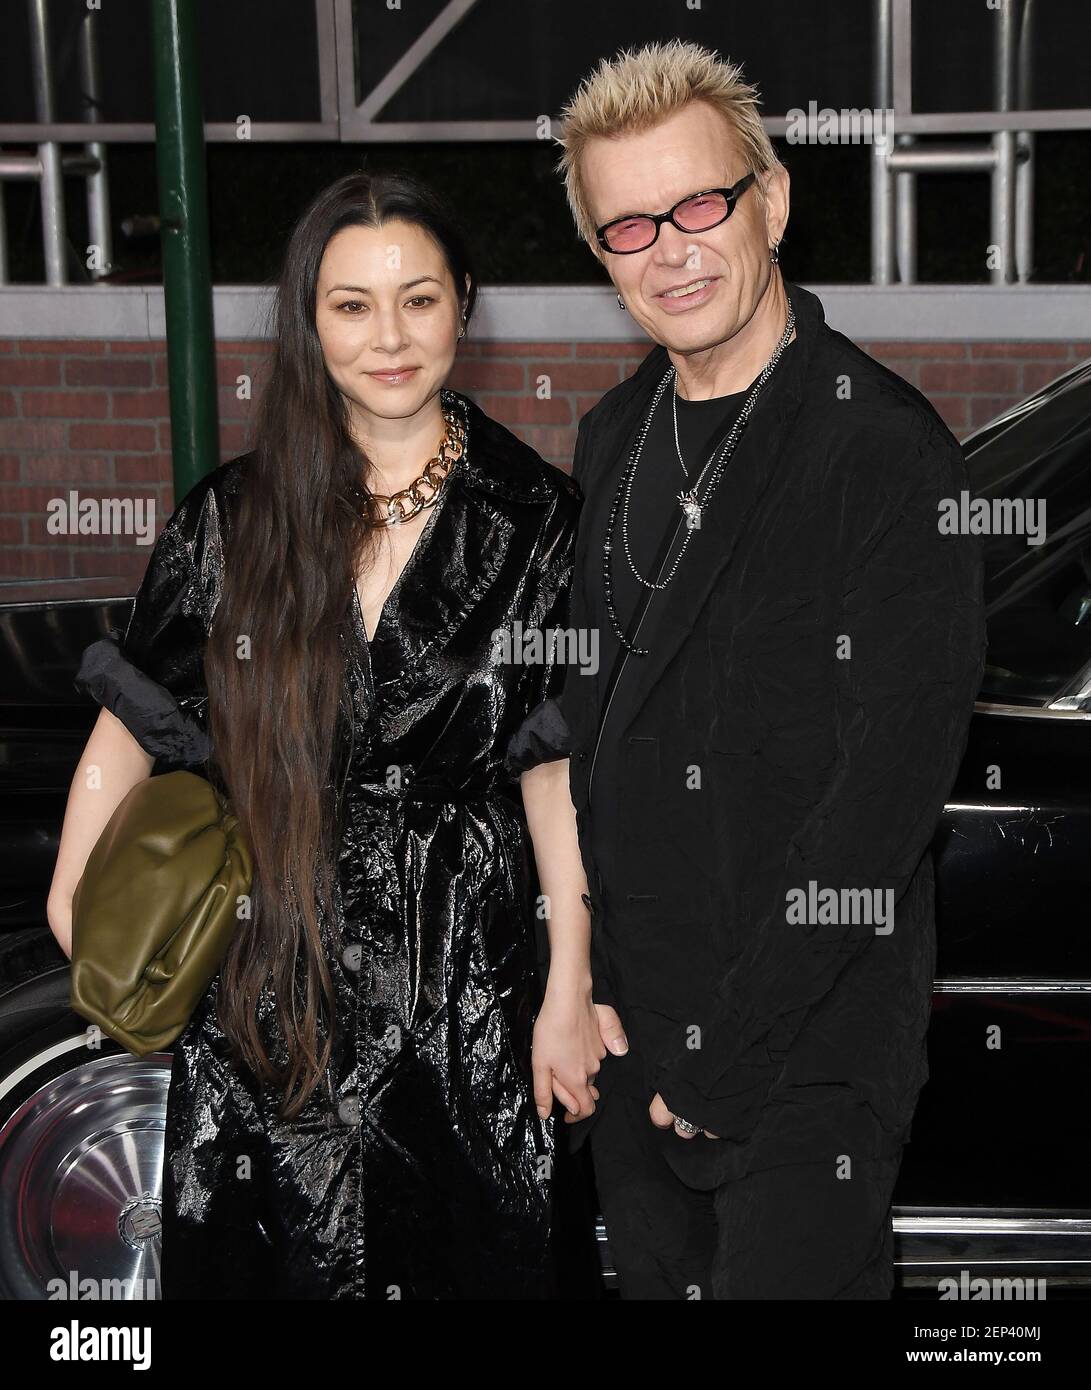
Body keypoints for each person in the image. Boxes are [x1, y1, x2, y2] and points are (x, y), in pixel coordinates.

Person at [47, 170, 593, 1300]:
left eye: (418, 299)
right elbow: (134, 722)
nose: (387, 337)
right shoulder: (234, 517)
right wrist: (81, 902)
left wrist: (568, 986)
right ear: (307, 320)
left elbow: (552, 768)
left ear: (465, 303)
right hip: (271, 974)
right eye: (350, 305)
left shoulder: (539, 519)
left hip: (469, 982)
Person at [513, 40, 987, 1299]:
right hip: (635, 1035)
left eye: (699, 204)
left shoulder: (879, 452)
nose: (668, 248)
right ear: (601, 259)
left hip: (805, 1053)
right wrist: (579, 988)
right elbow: (583, 729)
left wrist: (728, 1049)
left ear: (769, 200)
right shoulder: (614, 435)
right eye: (626, 226)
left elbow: (881, 804)